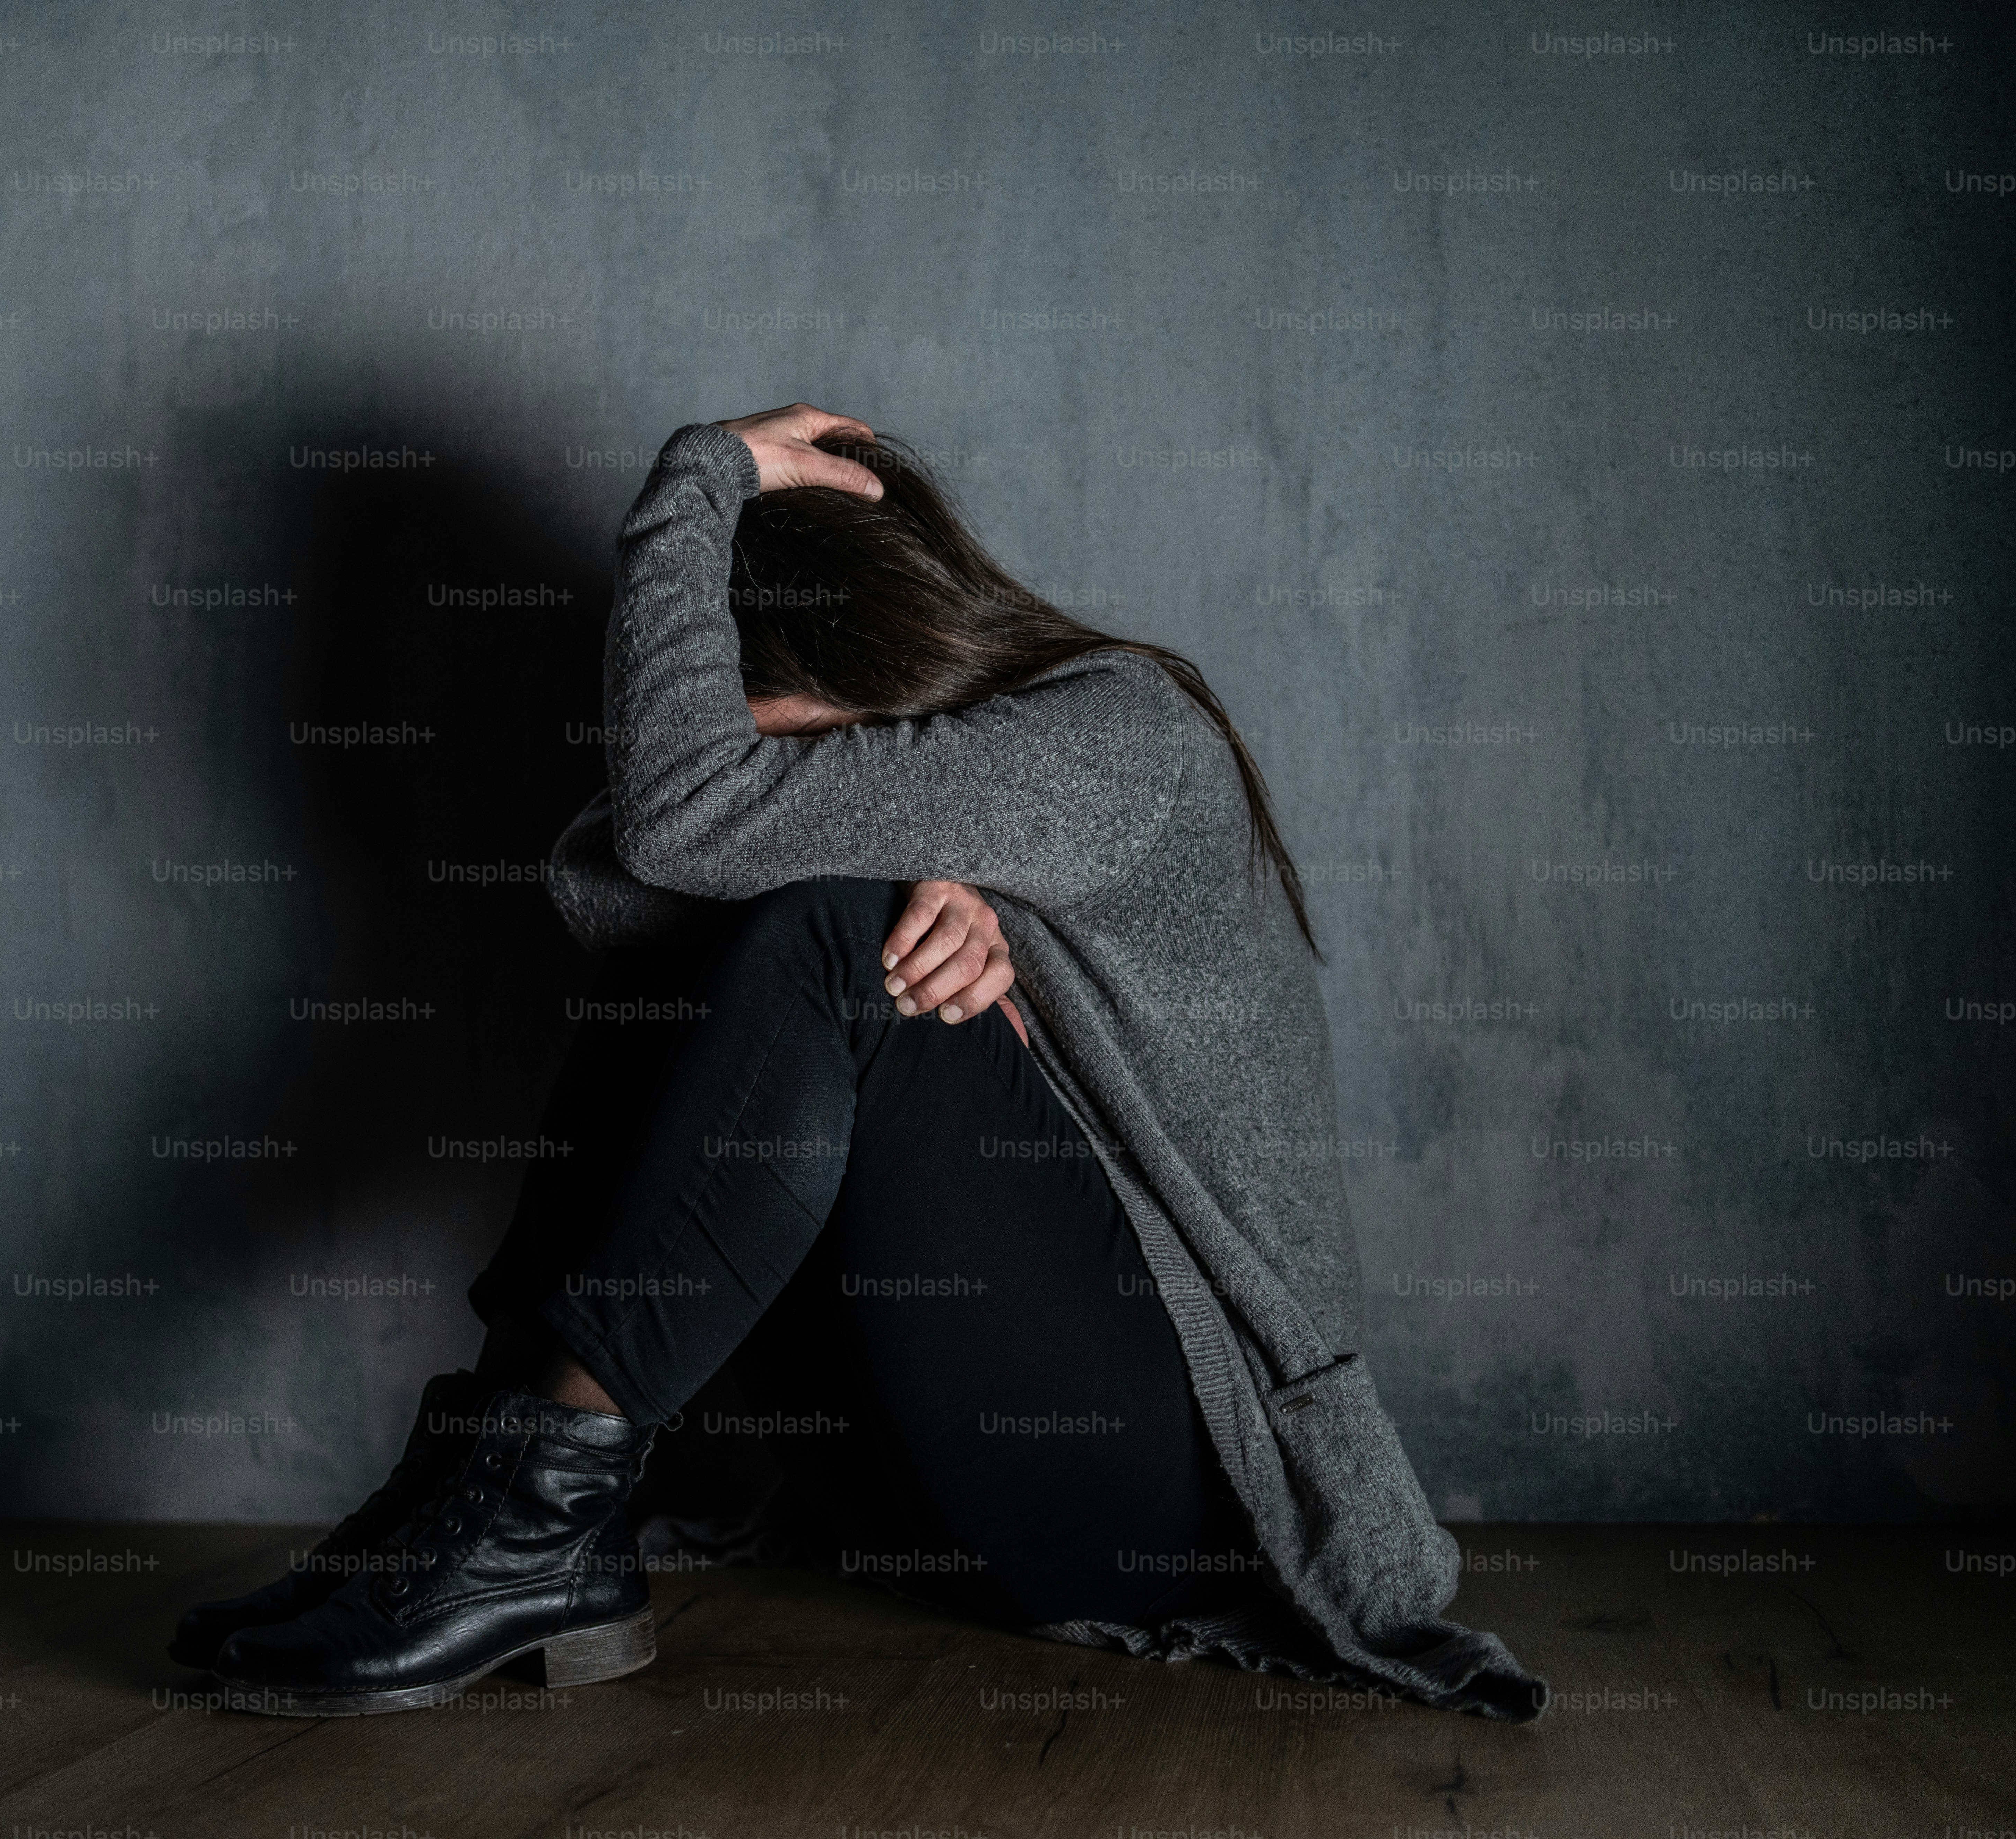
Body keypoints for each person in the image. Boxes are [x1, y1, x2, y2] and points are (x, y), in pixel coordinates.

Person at [172, 406, 1546, 1721]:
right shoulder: (967, 792)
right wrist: (897, 848)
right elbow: (605, 888)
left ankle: (527, 1527)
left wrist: (693, 486)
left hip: (1173, 1494)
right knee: (738, 934)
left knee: (822, 928)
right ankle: (486, 1492)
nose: (788, 805)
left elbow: (672, 829)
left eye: (787, 750)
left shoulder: (1127, 736)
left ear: (884, 672)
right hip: (933, 1464)